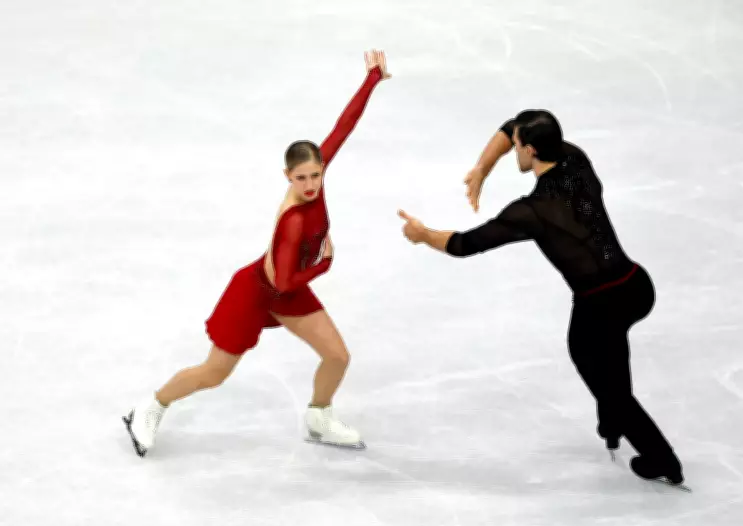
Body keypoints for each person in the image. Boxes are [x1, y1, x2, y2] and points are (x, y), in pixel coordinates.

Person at [123, 50, 391, 457]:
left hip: (288, 289)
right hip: (258, 292)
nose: (310, 184)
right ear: (288, 176)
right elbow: (283, 283)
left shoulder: (317, 171)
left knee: (337, 356)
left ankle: (318, 418)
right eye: (300, 178)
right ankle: (150, 406)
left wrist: (372, 79)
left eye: (316, 174)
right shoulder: (293, 221)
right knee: (214, 373)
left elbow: (343, 127)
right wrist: (324, 264)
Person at [397, 110, 685, 486]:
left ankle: (661, 459)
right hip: (635, 285)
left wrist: (423, 234)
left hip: (599, 304)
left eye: (515, 145)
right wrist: (483, 168)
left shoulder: (530, 212)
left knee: (596, 365)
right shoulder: (577, 160)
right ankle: (612, 423)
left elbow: (464, 244)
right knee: (610, 355)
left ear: (530, 150)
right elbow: (514, 122)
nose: (511, 148)